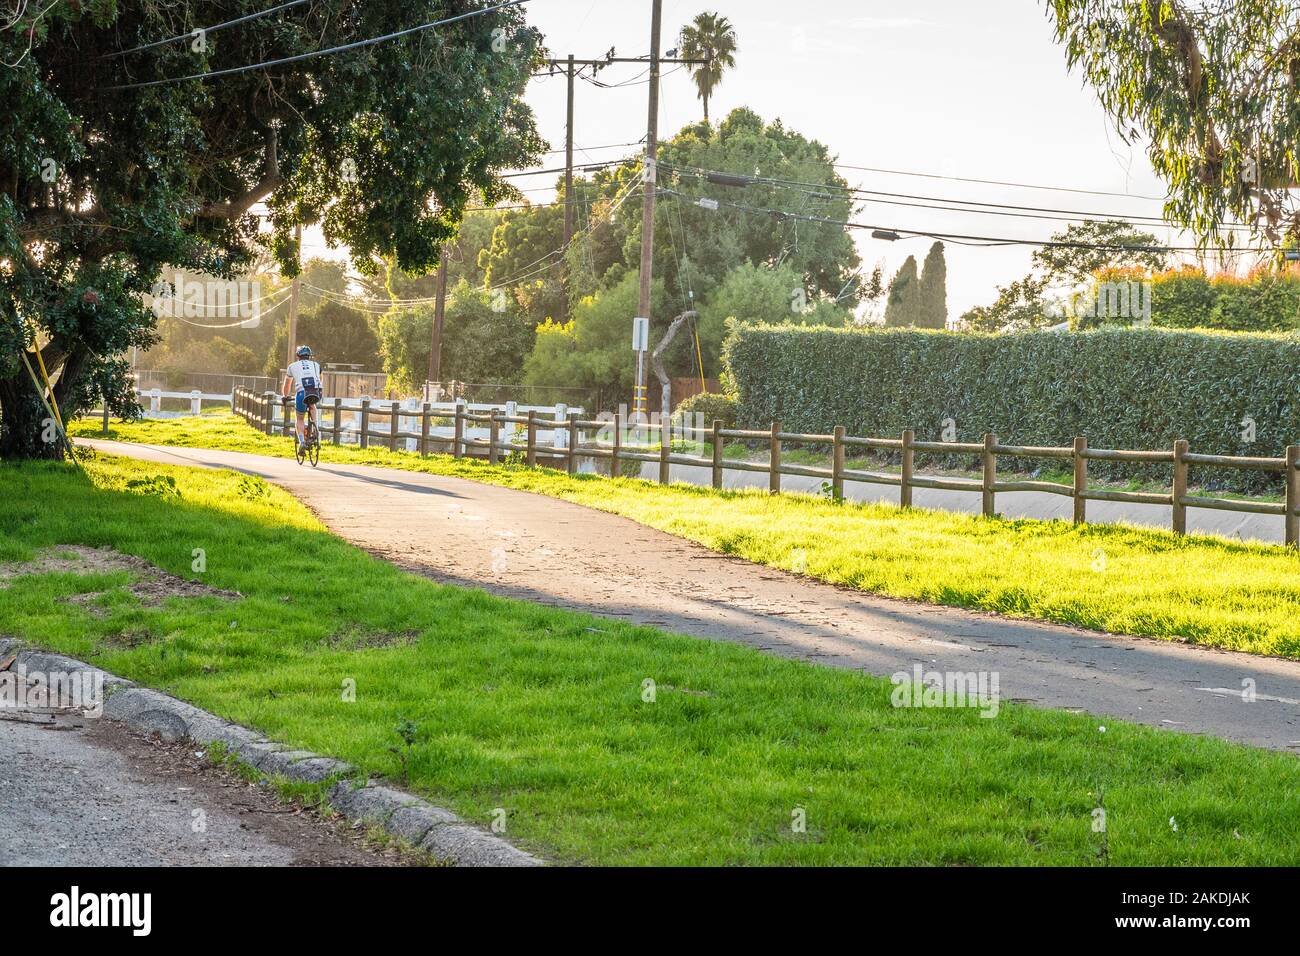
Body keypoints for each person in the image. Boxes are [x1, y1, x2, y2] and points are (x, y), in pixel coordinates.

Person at [282, 346, 324, 448]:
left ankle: (301, 443)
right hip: (316, 391)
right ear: (309, 356)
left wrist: (285, 396)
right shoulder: (316, 365)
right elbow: (321, 378)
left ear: (297, 356)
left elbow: (287, 385)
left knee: (300, 418)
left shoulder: (292, 366)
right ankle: (316, 431)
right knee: (312, 405)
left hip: (301, 393)